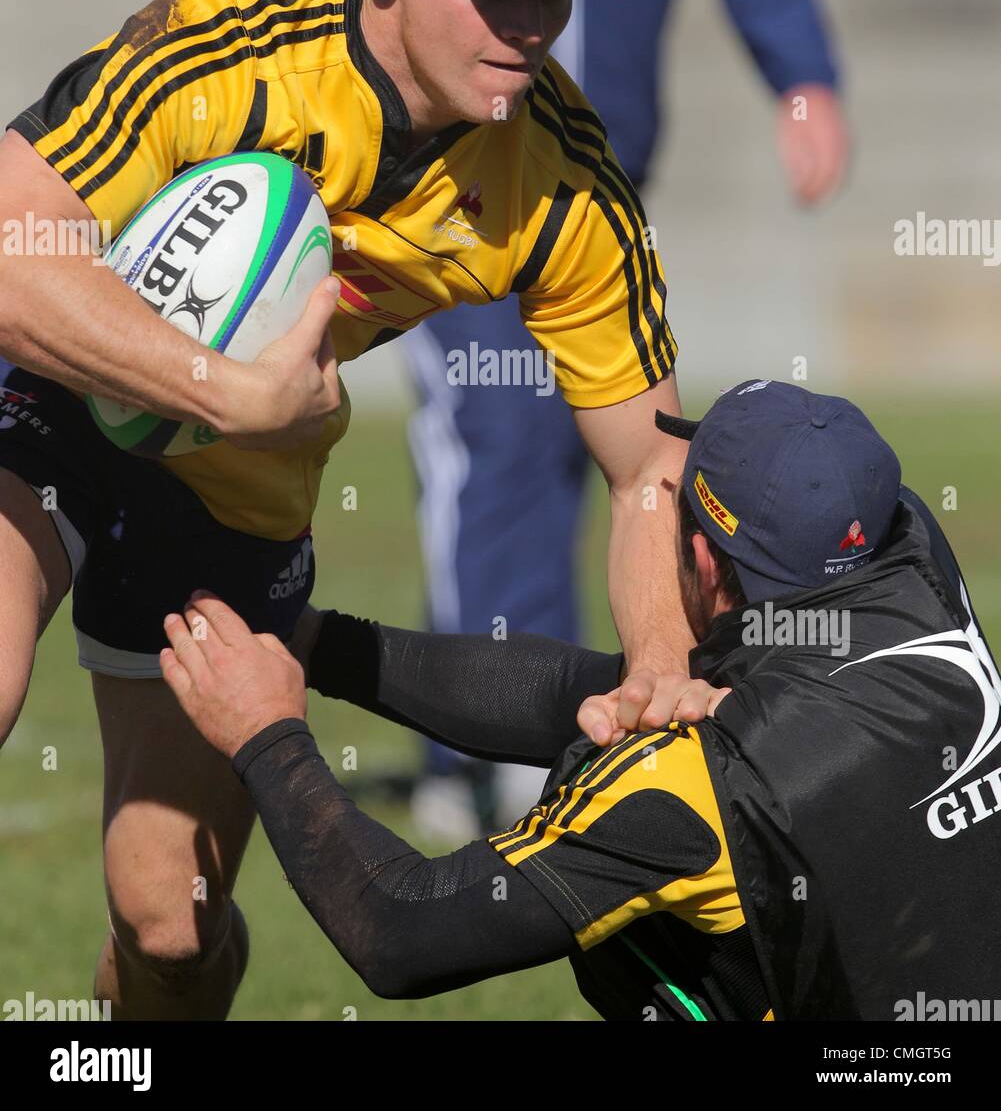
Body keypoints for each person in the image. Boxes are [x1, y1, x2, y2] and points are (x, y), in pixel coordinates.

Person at [0, 0, 714, 1020]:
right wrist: (222, 386)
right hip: (47, 388)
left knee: (171, 923)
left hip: (232, 500)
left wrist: (657, 669)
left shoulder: (565, 177)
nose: (529, 23)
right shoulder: (228, 40)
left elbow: (650, 463)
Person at [156, 0, 848, 831]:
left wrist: (801, 72)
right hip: (375, 179)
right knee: (495, 428)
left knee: (619, 448)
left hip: (575, 181)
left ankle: (600, 720)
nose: (527, 14)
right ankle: (493, 755)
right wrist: (217, 110)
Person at [161, 379, 1001, 1021]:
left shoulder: (704, 784)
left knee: (602, 796)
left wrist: (267, 734)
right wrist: (312, 644)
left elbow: (402, 932)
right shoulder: (916, 566)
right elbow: (584, 691)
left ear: (705, 564)